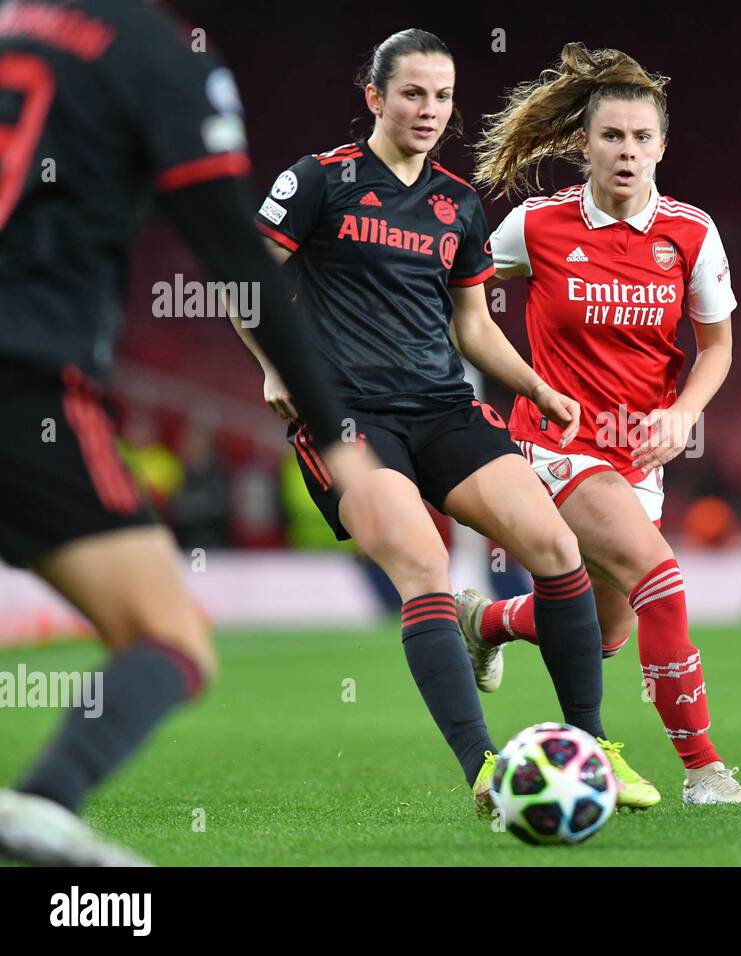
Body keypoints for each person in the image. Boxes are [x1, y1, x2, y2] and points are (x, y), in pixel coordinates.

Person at [238, 29, 659, 810]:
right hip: (347, 417)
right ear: (375, 96)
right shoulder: (320, 181)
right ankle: (485, 771)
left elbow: (471, 324)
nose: (430, 110)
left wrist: (537, 387)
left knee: (557, 548)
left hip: (441, 406)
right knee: (427, 569)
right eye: (412, 94)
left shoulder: (456, 204)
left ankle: (594, 746)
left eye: (441, 96)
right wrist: (273, 366)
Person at [0, 0, 373, 865]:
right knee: (168, 638)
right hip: (25, 377)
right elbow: (236, 256)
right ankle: (46, 799)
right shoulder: (154, 55)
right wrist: (336, 429)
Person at [462, 43, 741, 805]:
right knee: (662, 581)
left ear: (662, 145)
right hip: (552, 440)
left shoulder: (690, 234)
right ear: (584, 145)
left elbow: (716, 347)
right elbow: (462, 300)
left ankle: (486, 622)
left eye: (641, 138)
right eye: (612, 137)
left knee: (604, 633)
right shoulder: (537, 226)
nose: (627, 152)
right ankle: (705, 771)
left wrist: (682, 415)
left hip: (637, 455)